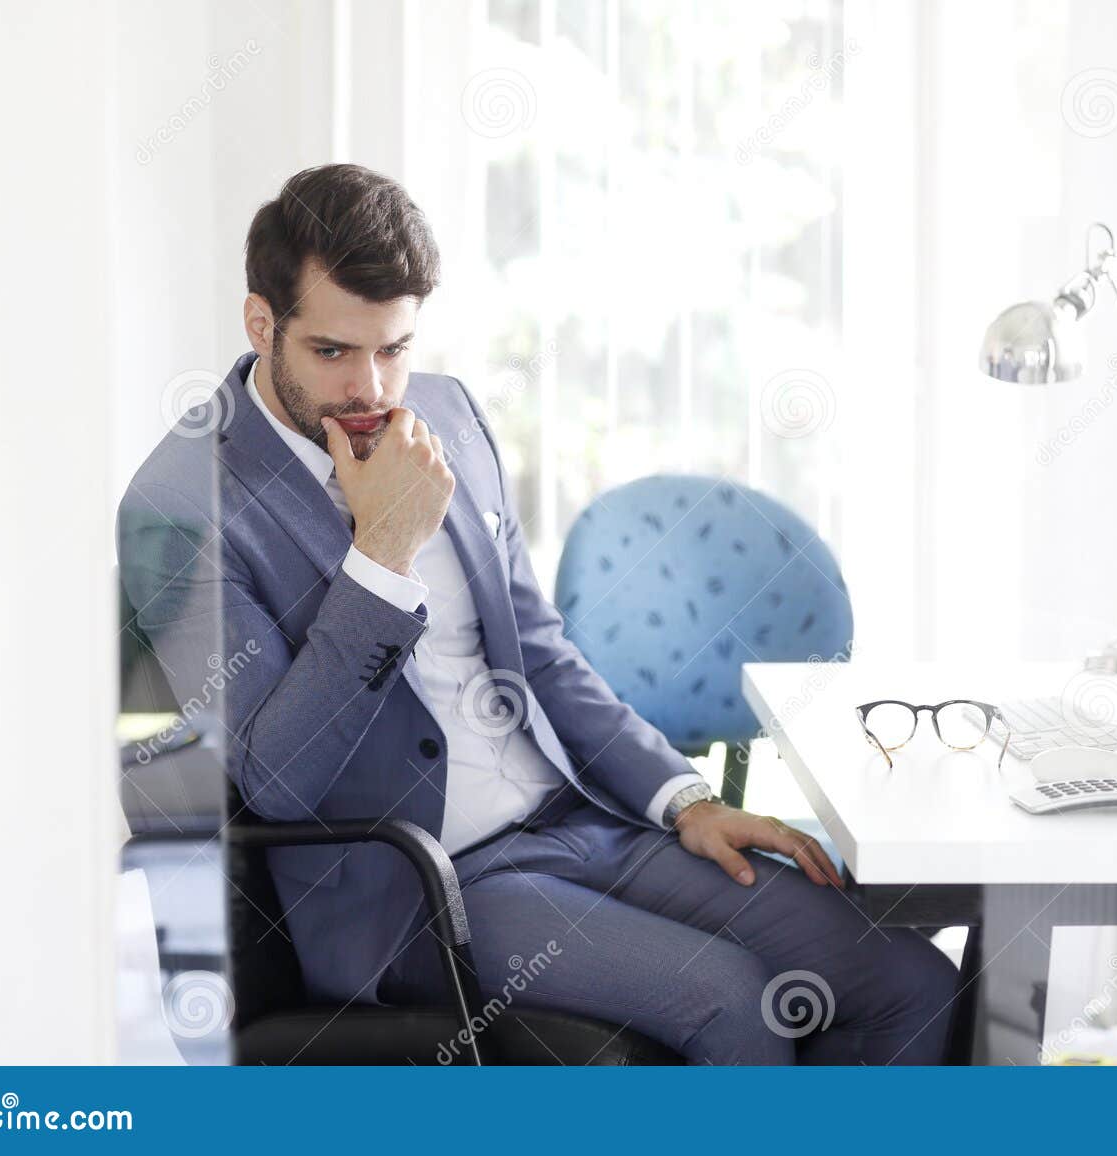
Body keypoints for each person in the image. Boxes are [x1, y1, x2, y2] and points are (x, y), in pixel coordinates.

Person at [118, 163, 957, 1064]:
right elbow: (279, 779)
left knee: (910, 983)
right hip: (427, 887)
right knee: (737, 1004)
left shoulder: (447, 413)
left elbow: (542, 652)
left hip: (582, 816)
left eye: (394, 349)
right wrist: (382, 557)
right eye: (333, 352)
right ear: (261, 324)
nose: (372, 389)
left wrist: (684, 798)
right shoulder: (182, 503)